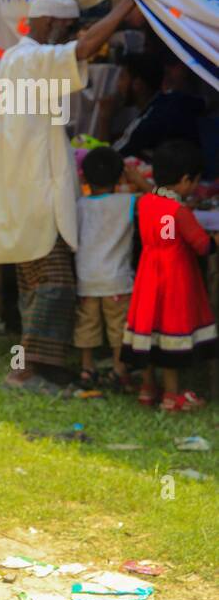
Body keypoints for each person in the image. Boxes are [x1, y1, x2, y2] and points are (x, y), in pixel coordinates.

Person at [0, 0, 139, 393]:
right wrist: (125, 6)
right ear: (54, 25)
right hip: (37, 200)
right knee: (55, 285)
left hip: (21, 197)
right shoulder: (31, 58)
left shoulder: (14, 60)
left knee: (36, 286)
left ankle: (42, 368)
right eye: (69, 28)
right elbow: (86, 48)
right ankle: (25, 372)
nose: (71, 36)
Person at [121, 140, 217, 411]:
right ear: (186, 180)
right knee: (171, 333)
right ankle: (172, 395)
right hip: (175, 277)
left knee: (152, 331)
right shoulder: (180, 211)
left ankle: (148, 387)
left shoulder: (147, 202)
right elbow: (202, 246)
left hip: (149, 273)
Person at [74, 146, 137, 392]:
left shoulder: (79, 205)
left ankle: (87, 367)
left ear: (84, 177)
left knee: (86, 325)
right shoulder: (127, 202)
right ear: (121, 177)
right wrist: (138, 179)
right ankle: (119, 369)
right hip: (117, 281)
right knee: (118, 327)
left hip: (87, 279)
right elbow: (163, 199)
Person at [111, 53, 205, 160]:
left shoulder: (152, 120)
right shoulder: (164, 103)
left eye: (122, 77)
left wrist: (104, 118)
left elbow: (112, 160)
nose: (118, 84)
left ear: (137, 84)